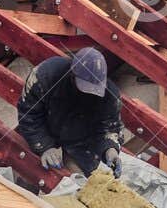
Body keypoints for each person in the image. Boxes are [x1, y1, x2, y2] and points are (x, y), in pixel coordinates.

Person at [16, 47, 124, 177]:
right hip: (43, 130)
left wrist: (110, 149)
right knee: (28, 173)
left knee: (81, 187)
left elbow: (110, 128)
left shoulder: (110, 95)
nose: (88, 93)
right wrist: (44, 147)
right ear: (72, 75)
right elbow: (29, 115)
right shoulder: (45, 75)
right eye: (85, 88)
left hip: (81, 144)